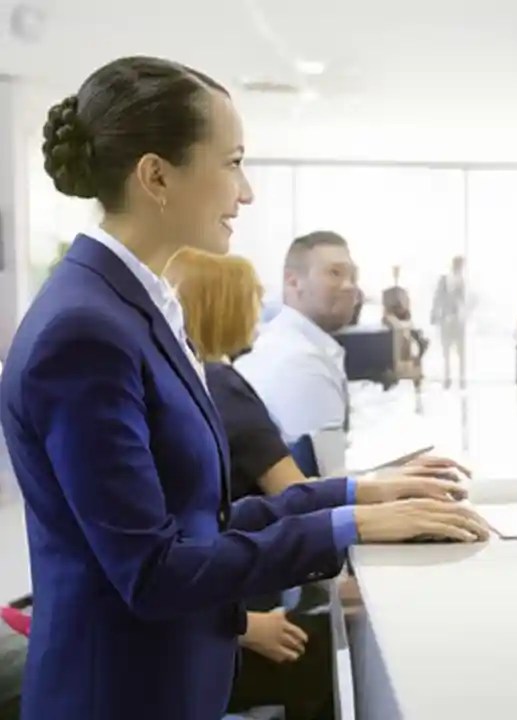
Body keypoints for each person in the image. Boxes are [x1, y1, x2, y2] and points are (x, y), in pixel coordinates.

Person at [0, 56, 489, 720]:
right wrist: (354, 524)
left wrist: (360, 494)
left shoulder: (135, 308)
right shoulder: (84, 331)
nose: (246, 192)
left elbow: (207, 519)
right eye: (231, 163)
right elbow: (153, 570)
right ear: (156, 176)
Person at [166, 247, 466, 718]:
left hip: (227, 599)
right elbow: (274, 499)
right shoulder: (219, 384)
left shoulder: (212, 382)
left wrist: (364, 497)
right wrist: (241, 623)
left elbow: (220, 520)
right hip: (221, 616)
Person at [236, 230, 359, 444]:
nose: (350, 286)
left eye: (353, 276)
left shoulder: (286, 342)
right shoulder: (300, 362)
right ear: (293, 282)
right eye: (335, 273)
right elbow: (327, 474)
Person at [431, 255, 468, 389]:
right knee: (446, 350)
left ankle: (461, 377)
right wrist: (435, 314)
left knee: (460, 351)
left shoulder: (464, 281)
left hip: (458, 320)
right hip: (447, 318)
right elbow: (438, 297)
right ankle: (447, 377)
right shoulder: (445, 279)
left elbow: (466, 301)